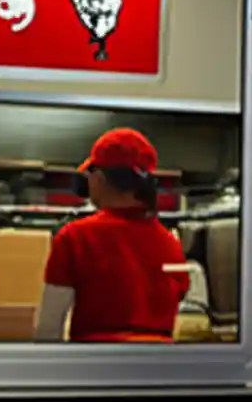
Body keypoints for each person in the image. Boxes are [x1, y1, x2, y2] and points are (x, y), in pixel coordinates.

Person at [35, 128, 190, 343]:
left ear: (98, 178)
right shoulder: (171, 243)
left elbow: (48, 328)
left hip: (96, 368)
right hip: (159, 370)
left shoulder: (75, 237)